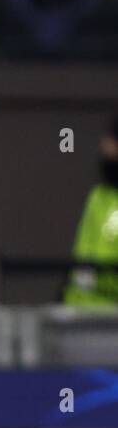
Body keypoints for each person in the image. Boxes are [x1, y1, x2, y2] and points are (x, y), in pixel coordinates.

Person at [65, 116, 118, 308]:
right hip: (80, 314)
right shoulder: (98, 196)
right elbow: (81, 252)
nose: (106, 151)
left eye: (112, 146)